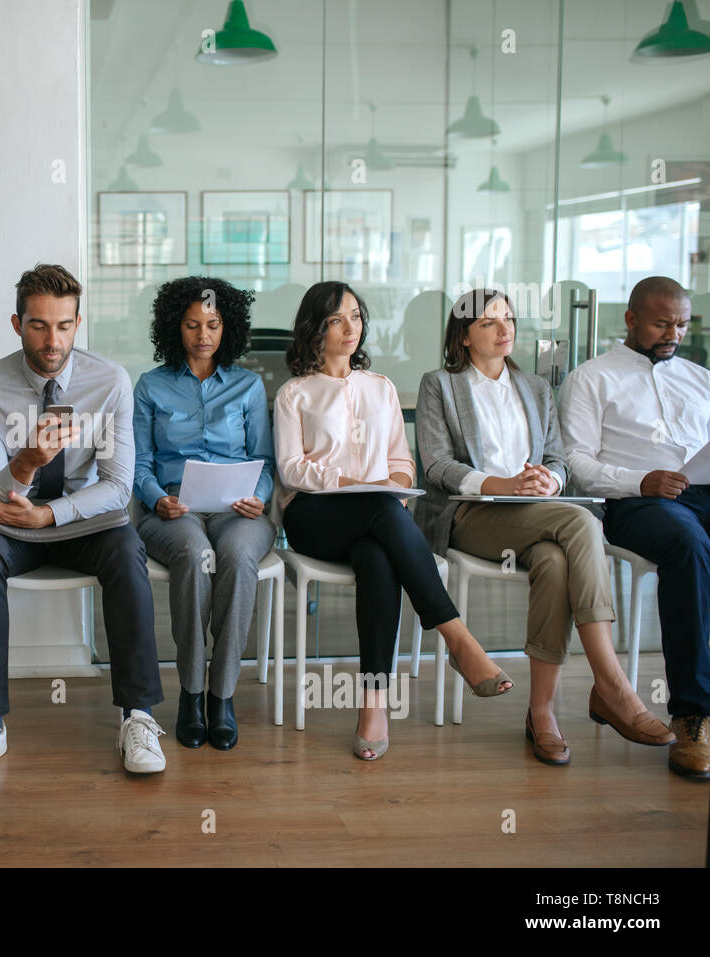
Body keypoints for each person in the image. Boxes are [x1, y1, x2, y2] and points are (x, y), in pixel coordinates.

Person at [414, 289, 673, 766]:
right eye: (489, 322)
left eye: (509, 319)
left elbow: (556, 457)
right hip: (470, 514)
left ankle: (542, 714)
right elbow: (437, 465)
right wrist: (504, 484)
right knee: (580, 522)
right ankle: (612, 684)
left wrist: (544, 480)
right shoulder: (440, 384)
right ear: (464, 337)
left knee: (555, 562)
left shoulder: (534, 387)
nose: (504, 329)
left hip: (535, 517)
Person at [274, 280, 514, 761]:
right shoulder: (294, 393)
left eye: (356, 317)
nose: (350, 329)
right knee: (380, 509)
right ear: (314, 329)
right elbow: (291, 469)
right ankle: (457, 638)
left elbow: (402, 462)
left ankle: (373, 705)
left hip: (377, 520)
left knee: (377, 558)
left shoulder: (380, 387)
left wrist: (395, 488)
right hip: (313, 516)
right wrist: (350, 484)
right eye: (336, 320)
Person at [0, 264, 166, 783]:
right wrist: (25, 463)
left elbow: (118, 486)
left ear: (77, 323)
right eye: (39, 325)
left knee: (127, 549)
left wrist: (50, 513)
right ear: (17, 323)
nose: (52, 340)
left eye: (64, 325)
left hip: (83, 522)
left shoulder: (109, 382)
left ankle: (138, 715)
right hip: (9, 528)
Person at [558, 275, 710, 780]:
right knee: (687, 544)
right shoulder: (591, 378)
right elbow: (576, 463)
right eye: (663, 322)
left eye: (682, 324)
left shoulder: (699, 377)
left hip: (701, 492)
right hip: (634, 502)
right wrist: (640, 480)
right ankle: (693, 714)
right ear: (630, 320)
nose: (675, 333)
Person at [132, 277, 275, 750]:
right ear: (174, 328)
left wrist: (259, 494)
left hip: (238, 508)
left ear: (226, 327)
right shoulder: (151, 385)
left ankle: (222, 695)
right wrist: (156, 499)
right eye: (192, 325)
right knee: (194, 555)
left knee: (235, 553)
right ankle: (191, 692)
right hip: (174, 508)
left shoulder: (248, 385)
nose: (202, 335)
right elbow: (139, 462)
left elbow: (266, 461)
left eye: (212, 325)